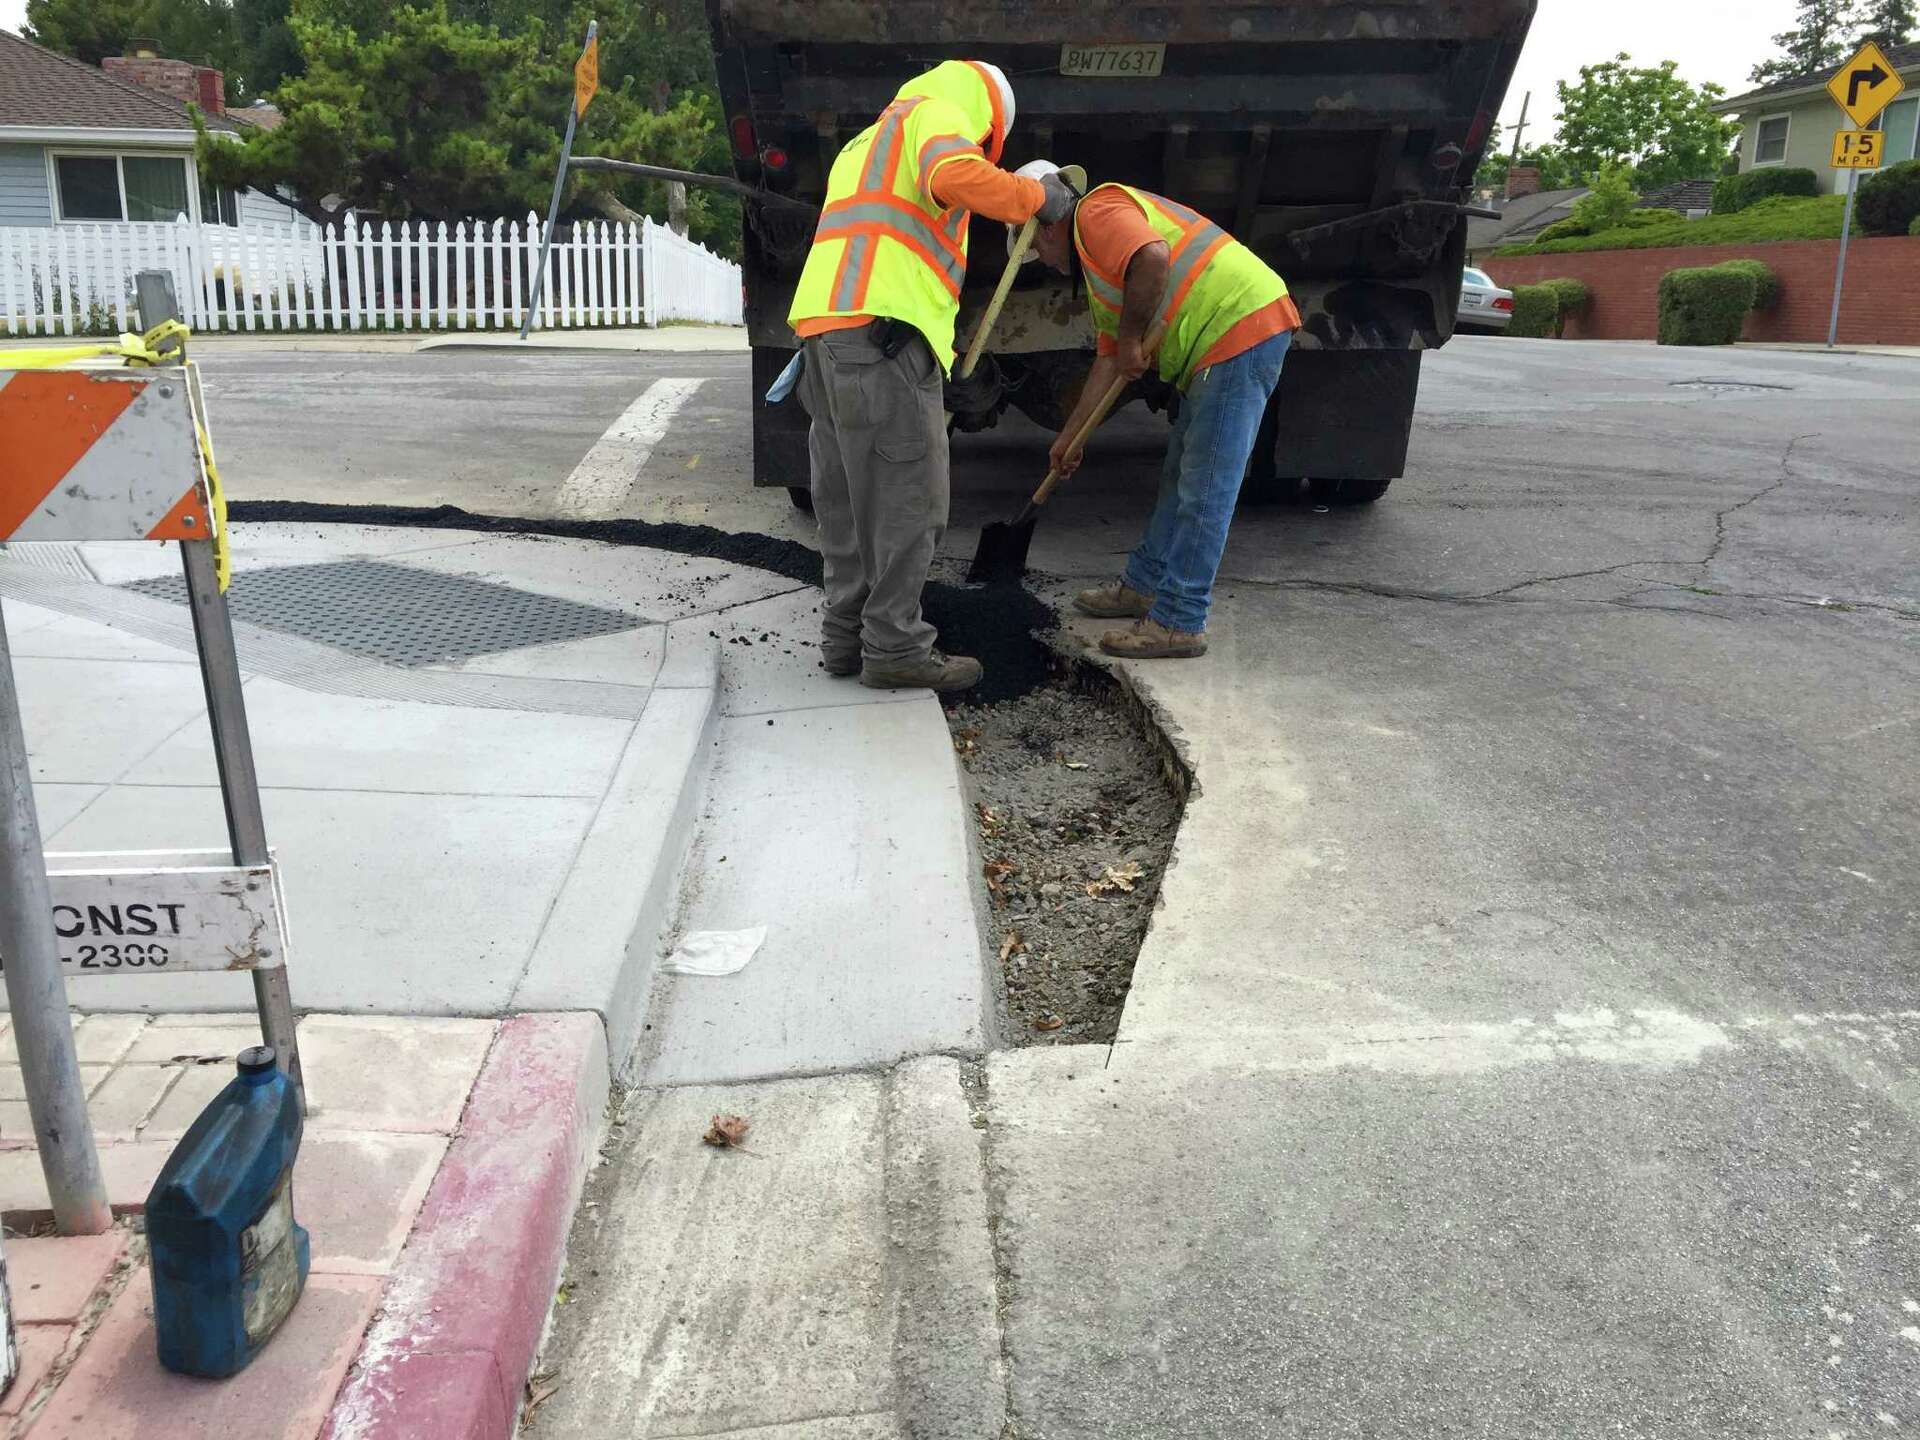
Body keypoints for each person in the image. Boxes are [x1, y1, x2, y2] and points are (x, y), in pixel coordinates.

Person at [788, 62, 1076, 693]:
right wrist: (1036, 197)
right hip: (882, 338)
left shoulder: (865, 143)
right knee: (907, 500)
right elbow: (955, 173)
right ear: (991, 118)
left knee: (844, 501)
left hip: (823, 335)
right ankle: (893, 646)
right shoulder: (940, 114)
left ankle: (844, 638)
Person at [1019, 164, 1301, 658]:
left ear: (1046, 225)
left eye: (1034, 248)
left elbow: (1154, 255)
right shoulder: (1097, 261)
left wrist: (1131, 339)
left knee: (1206, 484)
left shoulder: (1097, 212)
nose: (1040, 261)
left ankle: (1180, 621)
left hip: (1240, 328)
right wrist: (1070, 438)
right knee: (1179, 475)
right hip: (1218, 341)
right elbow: (1109, 362)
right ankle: (1144, 585)